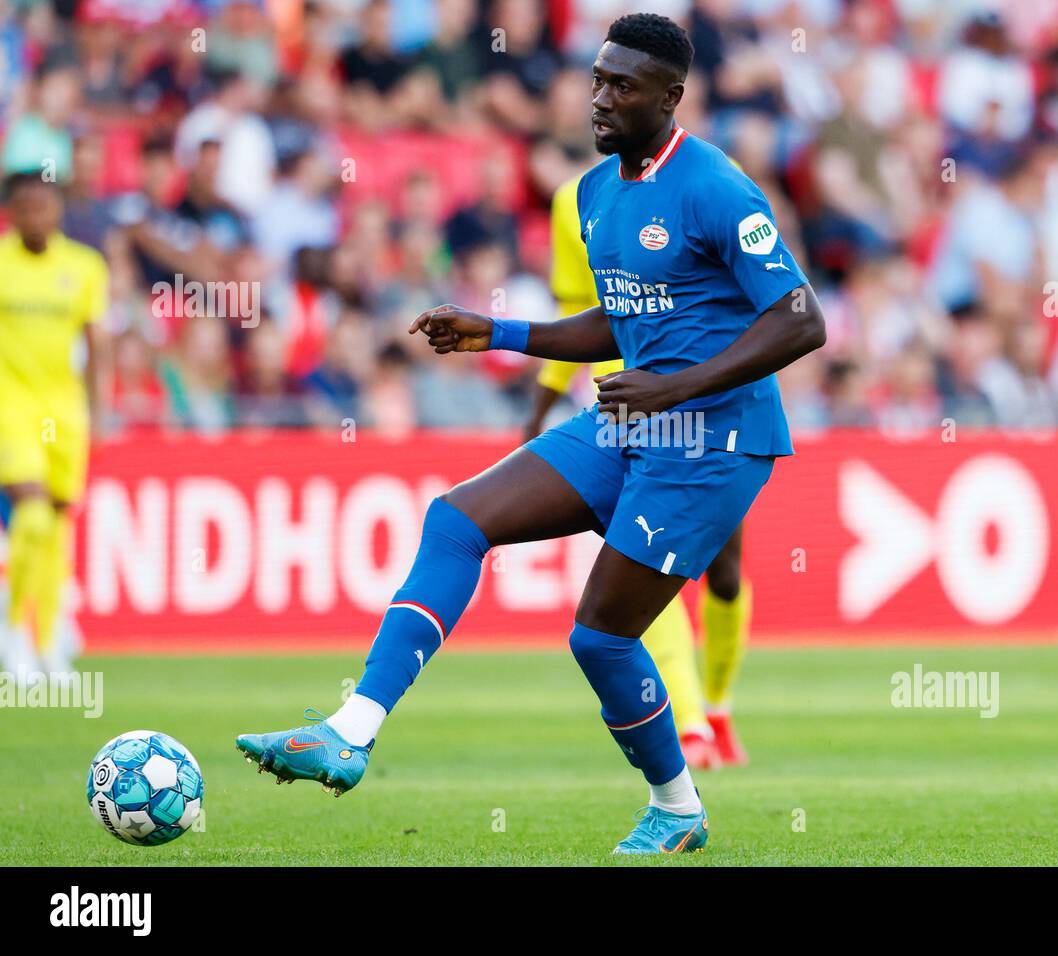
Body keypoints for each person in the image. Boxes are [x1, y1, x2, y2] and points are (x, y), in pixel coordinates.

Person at [236, 13, 824, 855]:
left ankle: (679, 807)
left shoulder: (718, 186)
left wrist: (677, 387)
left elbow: (803, 320)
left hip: (713, 443)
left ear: (670, 95)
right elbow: (621, 321)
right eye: (596, 79)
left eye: (622, 85)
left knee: (600, 638)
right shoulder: (594, 193)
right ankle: (351, 729)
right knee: (456, 520)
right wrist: (499, 333)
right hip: (629, 424)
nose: (600, 97)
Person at [524, 172, 755, 770]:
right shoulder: (573, 197)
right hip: (618, 407)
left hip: (701, 403)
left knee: (726, 574)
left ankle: (719, 706)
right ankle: (692, 721)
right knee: (650, 557)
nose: (607, 103)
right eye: (602, 86)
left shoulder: (706, 186)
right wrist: (541, 409)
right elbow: (578, 311)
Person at [0, 173, 109, 679]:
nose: (34, 218)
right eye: (24, 209)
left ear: (58, 212)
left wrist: (97, 407)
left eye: (42, 208)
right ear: (13, 213)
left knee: (59, 528)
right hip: (11, 404)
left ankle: (46, 641)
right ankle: (13, 629)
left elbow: (96, 341)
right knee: (33, 514)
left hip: (64, 411)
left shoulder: (84, 267)